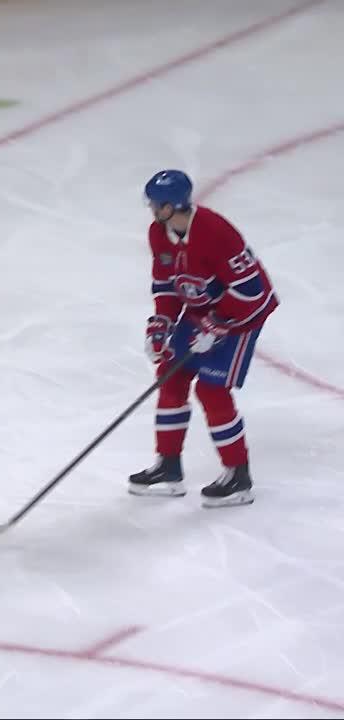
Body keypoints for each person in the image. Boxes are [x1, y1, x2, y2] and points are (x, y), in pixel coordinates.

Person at [129, 169, 278, 507]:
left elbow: (251, 292)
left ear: (171, 205)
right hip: (203, 310)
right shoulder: (158, 232)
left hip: (242, 316)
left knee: (211, 390)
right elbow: (166, 284)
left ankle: (238, 477)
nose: (151, 209)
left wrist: (216, 326)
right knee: (171, 376)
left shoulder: (215, 232)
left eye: (155, 203)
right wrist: (161, 325)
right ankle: (168, 468)